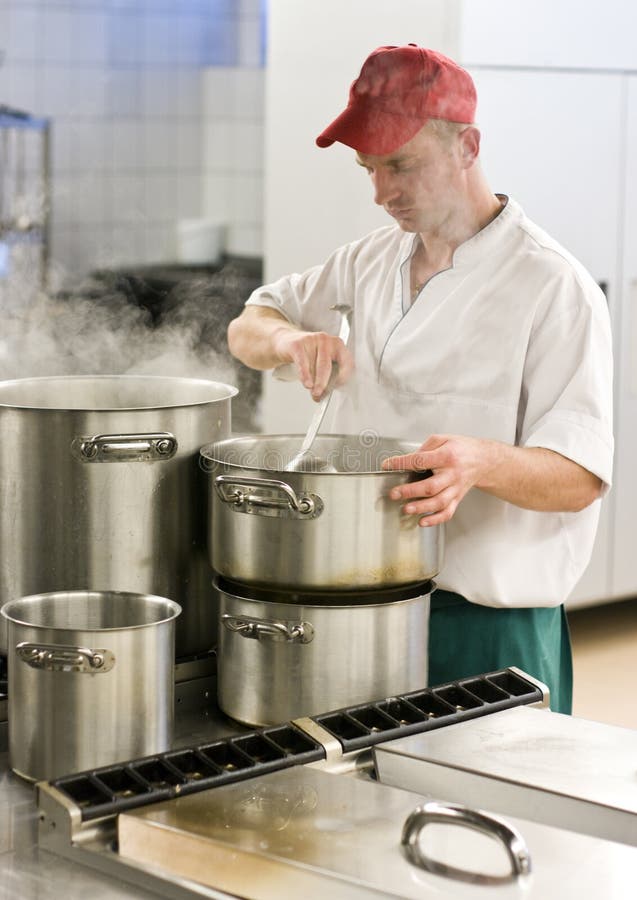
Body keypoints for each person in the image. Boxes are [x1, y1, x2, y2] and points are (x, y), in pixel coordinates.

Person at [227, 44, 614, 714]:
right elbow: (248, 326)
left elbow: (577, 479)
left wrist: (480, 462)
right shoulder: (365, 262)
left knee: (489, 818)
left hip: (486, 630)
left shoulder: (551, 286)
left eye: (400, 165)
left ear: (466, 146)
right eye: (368, 169)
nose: (382, 193)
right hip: (357, 609)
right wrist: (291, 340)